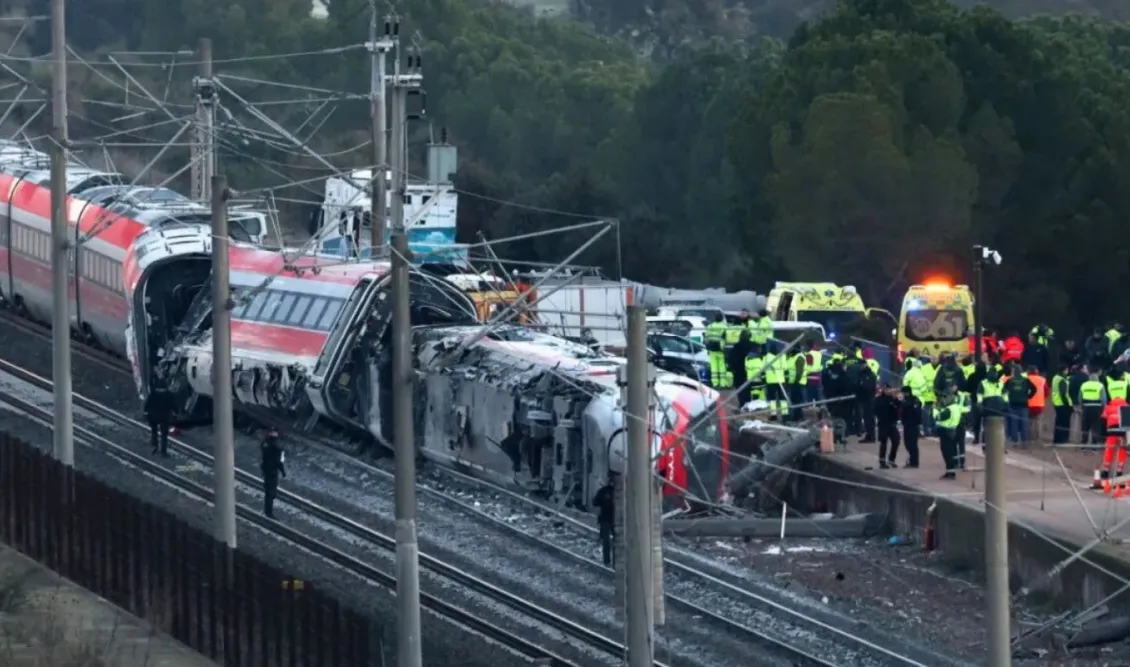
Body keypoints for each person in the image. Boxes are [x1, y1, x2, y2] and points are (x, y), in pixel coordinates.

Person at [1096, 397, 1129, 489]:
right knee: (1122, 451)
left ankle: (1106, 471)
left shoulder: (1108, 407)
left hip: (1111, 432)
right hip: (1123, 432)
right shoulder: (1126, 407)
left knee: (1109, 450)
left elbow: (1103, 421)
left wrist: (1103, 435)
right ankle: (1119, 472)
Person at [933, 392, 962, 479]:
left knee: (947, 453)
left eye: (945, 398)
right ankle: (951, 471)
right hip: (953, 430)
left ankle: (950, 473)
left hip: (946, 432)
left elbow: (938, 417)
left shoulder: (949, 409)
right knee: (951, 452)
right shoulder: (956, 407)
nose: (943, 400)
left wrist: (935, 409)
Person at [260, 428, 287, 518]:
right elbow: (280, 461)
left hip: (266, 469)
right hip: (272, 471)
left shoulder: (265, 443)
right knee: (271, 492)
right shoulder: (277, 447)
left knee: (268, 490)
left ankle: (267, 510)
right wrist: (283, 472)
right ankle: (268, 512)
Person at [144, 380, 174, 457]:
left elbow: (148, 404)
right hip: (165, 417)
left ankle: (155, 446)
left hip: (153, 416)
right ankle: (163, 452)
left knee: (154, 432)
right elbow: (173, 405)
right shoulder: (168, 394)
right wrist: (175, 413)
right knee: (164, 435)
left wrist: (146, 412)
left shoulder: (153, 394)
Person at [875, 385, 901, 468]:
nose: (888, 391)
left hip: (892, 423)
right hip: (883, 423)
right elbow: (876, 410)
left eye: (889, 389)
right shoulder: (879, 399)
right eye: (886, 389)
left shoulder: (893, 399)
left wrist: (896, 399)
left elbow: (899, 406)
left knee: (896, 440)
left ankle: (891, 459)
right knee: (883, 443)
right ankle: (882, 462)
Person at [592, 475, 616, 566]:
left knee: (611, 542)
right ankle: (609, 561)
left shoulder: (604, 491)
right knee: (608, 542)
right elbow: (595, 502)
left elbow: (595, 502)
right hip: (608, 520)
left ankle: (611, 562)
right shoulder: (604, 491)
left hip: (612, 520)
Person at [1079, 373, 1108, 446]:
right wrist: (1103, 407)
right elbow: (1103, 398)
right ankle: (1094, 444)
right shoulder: (1100, 385)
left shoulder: (1084, 385)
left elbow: (1080, 397)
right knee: (1096, 426)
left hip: (1086, 407)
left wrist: (1082, 405)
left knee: (1085, 426)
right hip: (1097, 408)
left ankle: (1084, 443)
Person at [704, 313, 728, 389]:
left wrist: (707, 347)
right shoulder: (725, 327)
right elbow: (726, 338)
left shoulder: (710, 326)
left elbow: (706, 339)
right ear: (721, 319)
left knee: (714, 367)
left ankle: (715, 383)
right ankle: (723, 384)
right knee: (722, 367)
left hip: (712, 349)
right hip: (721, 349)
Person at [1051, 365, 1073, 445]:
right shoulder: (1062, 380)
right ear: (1064, 370)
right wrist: (1067, 404)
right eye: (1067, 370)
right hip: (1063, 404)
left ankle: (1057, 439)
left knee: (1058, 422)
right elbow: (1063, 393)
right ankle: (1062, 439)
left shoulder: (1055, 378)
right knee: (1064, 423)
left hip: (1056, 402)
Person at [857, 359, 877, 442]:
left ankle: (871, 436)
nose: (860, 367)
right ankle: (869, 435)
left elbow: (867, 386)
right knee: (866, 418)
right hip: (864, 399)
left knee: (869, 418)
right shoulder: (862, 374)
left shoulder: (870, 374)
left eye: (861, 365)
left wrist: (861, 386)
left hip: (869, 399)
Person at [900, 390, 921, 468]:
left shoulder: (909, 402)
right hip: (911, 425)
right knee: (911, 444)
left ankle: (914, 462)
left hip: (910, 425)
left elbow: (904, 410)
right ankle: (913, 461)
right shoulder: (915, 400)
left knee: (911, 444)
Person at [1026, 366, 1047, 443]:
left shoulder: (1026, 379)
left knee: (1029, 422)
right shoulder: (1042, 379)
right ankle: (1038, 438)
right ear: (1036, 371)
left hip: (1028, 404)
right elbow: (1047, 392)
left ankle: (1028, 437)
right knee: (1039, 422)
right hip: (1039, 404)